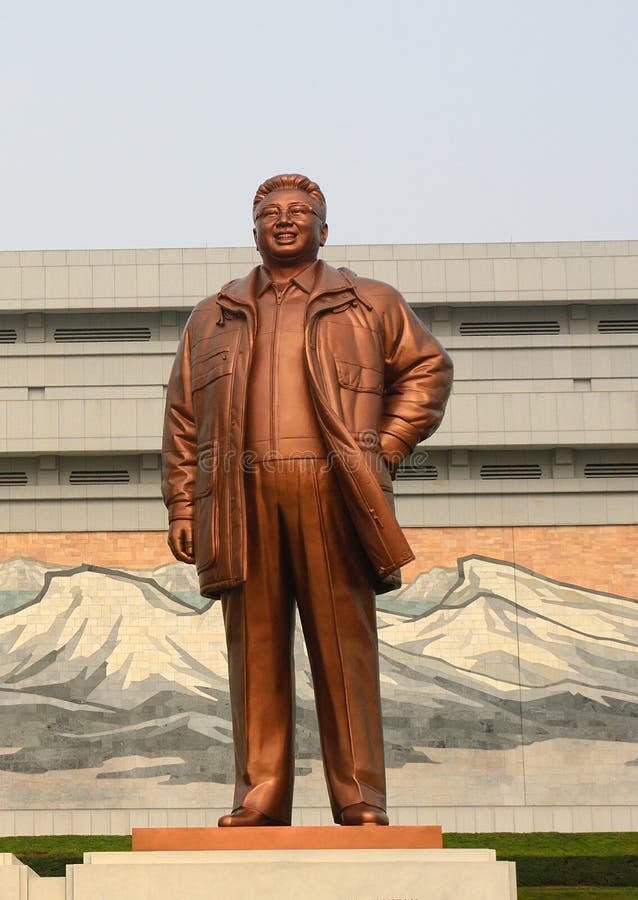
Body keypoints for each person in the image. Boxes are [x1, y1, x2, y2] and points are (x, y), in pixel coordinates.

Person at [162, 174, 453, 827]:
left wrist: (386, 444)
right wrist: (184, 506)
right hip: (241, 496)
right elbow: (183, 414)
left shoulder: (368, 301)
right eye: (271, 213)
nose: (285, 221)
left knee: (342, 650)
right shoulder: (214, 314)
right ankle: (260, 795)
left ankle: (359, 798)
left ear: (325, 228)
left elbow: (427, 370)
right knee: (255, 652)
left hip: (332, 489)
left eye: (300, 213)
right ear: (254, 228)